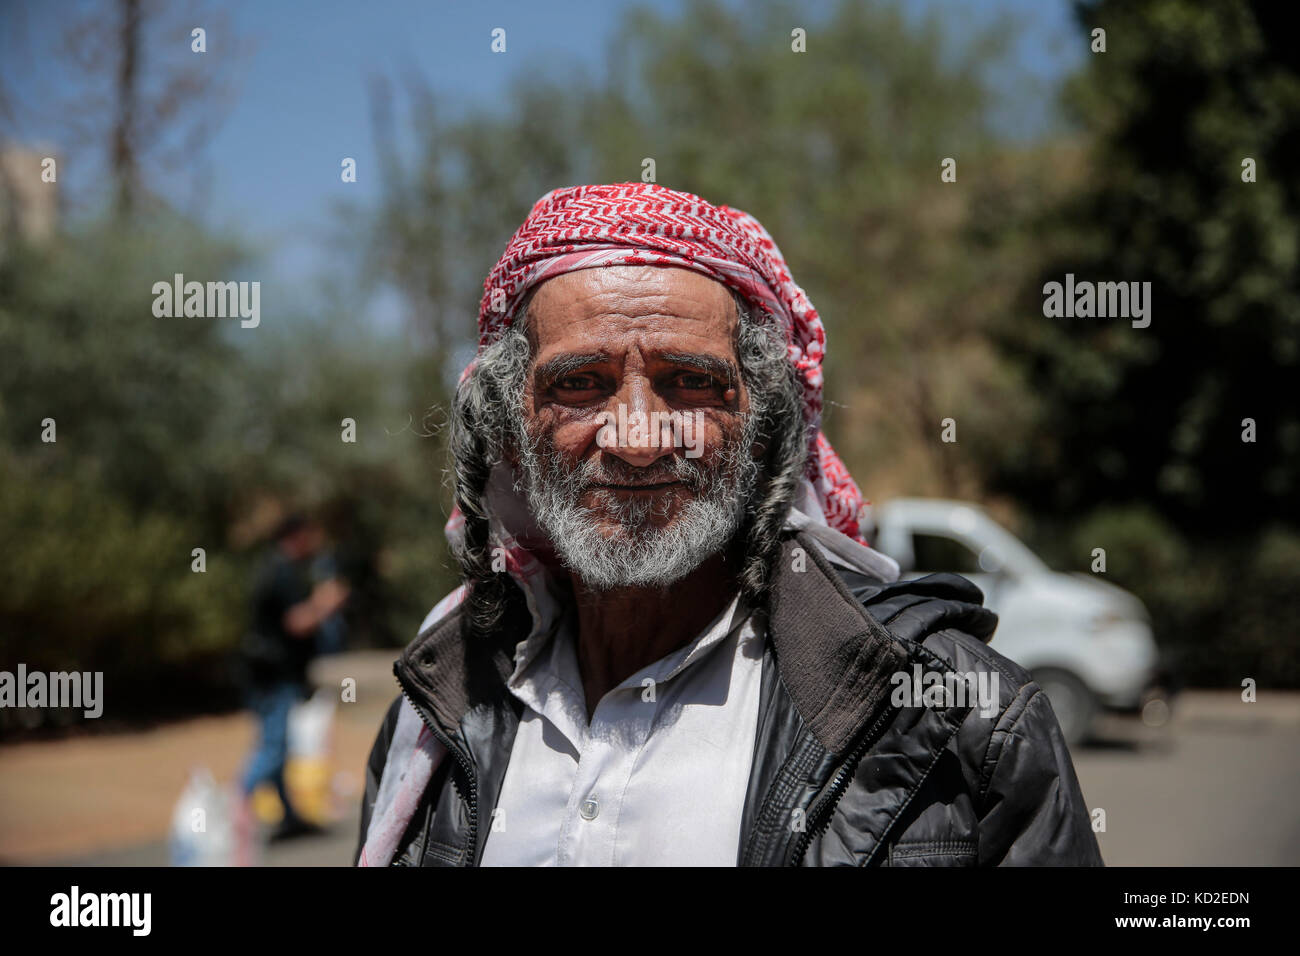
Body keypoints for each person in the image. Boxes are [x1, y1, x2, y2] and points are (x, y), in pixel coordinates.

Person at [356, 182, 1103, 866]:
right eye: (580, 384)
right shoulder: (436, 716)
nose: (640, 439)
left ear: (761, 425)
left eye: (691, 384)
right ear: (511, 429)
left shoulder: (955, 719)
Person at [239, 513, 349, 840]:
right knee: (274, 748)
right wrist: (325, 603)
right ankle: (235, 805)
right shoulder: (280, 572)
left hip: (267, 673)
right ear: (295, 536)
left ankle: (288, 817)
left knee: (277, 745)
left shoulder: (275, 568)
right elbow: (296, 623)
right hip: (274, 676)